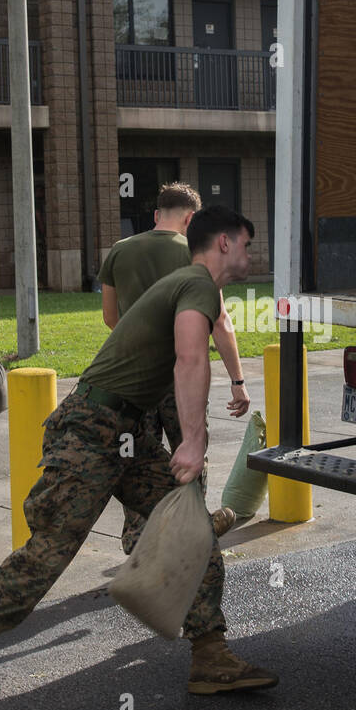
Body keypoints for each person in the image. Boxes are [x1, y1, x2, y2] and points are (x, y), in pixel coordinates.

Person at [0, 205, 277, 710]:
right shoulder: (196, 282)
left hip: (131, 430)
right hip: (91, 425)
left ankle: (211, 657)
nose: (250, 253)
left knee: (192, 531)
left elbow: (186, 358)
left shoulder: (198, 287)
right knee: (49, 553)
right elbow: (190, 360)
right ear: (223, 243)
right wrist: (193, 442)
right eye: (246, 243)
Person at [98, 181, 250, 547]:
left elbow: (109, 316)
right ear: (191, 219)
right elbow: (219, 322)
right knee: (189, 447)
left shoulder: (119, 250)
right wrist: (237, 379)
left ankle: (137, 534)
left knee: (136, 454)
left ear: (155, 215)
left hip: (134, 381)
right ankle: (194, 527)